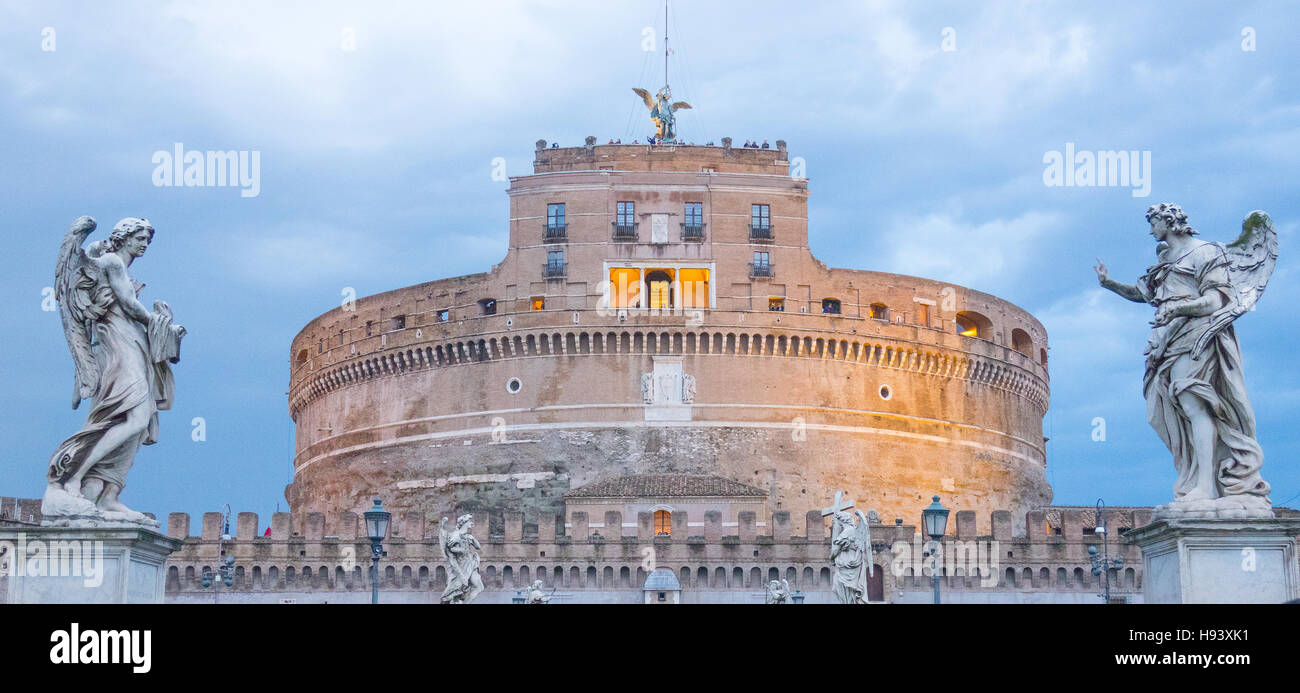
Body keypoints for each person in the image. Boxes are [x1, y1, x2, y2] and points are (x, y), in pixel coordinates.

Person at [1094, 203, 1270, 510]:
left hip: (1196, 334)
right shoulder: (1164, 258)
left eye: (1153, 223)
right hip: (1166, 338)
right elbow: (1144, 294)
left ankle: (1205, 486)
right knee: (1166, 412)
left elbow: (1214, 300)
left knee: (1194, 405)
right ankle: (1195, 480)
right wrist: (1109, 284)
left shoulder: (1206, 252)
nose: (1151, 230)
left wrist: (1178, 309)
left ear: (1169, 221)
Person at [48, 217, 184, 521]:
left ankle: (108, 494)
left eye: (148, 240)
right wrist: (163, 326)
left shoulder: (121, 268)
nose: (144, 244)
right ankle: (73, 476)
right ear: (123, 238)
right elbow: (130, 305)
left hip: (134, 343)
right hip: (117, 345)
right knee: (132, 417)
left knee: (141, 418)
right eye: (140, 238)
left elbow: (133, 309)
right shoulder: (109, 261)